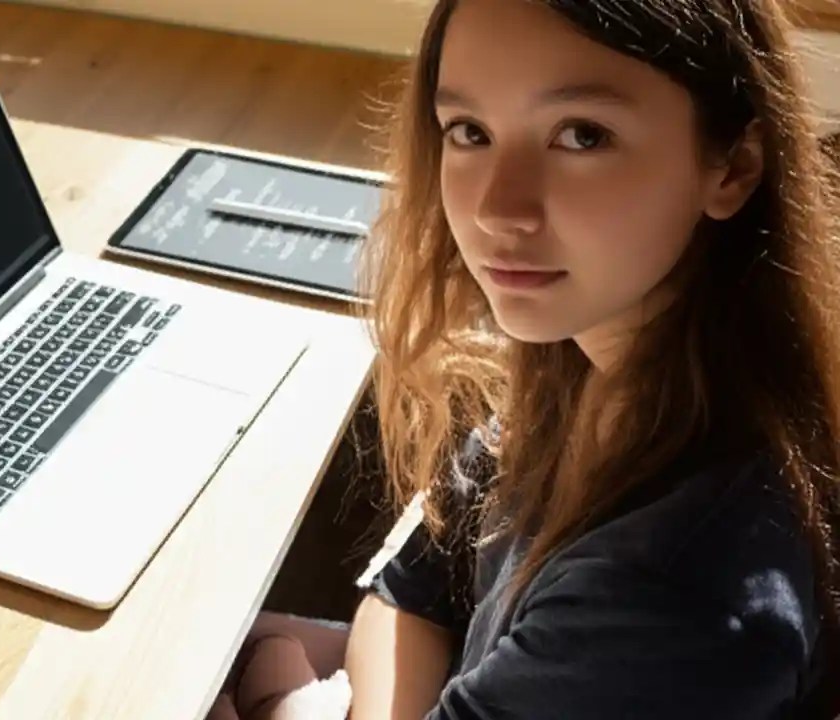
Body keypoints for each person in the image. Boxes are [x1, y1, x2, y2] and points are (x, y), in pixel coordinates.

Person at [209, 0, 840, 717]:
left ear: (734, 166)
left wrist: (280, 696)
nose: (497, 209)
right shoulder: (586, 359)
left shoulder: (674, 604)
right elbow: (415, 584)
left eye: (582, 135)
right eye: (470, 131)